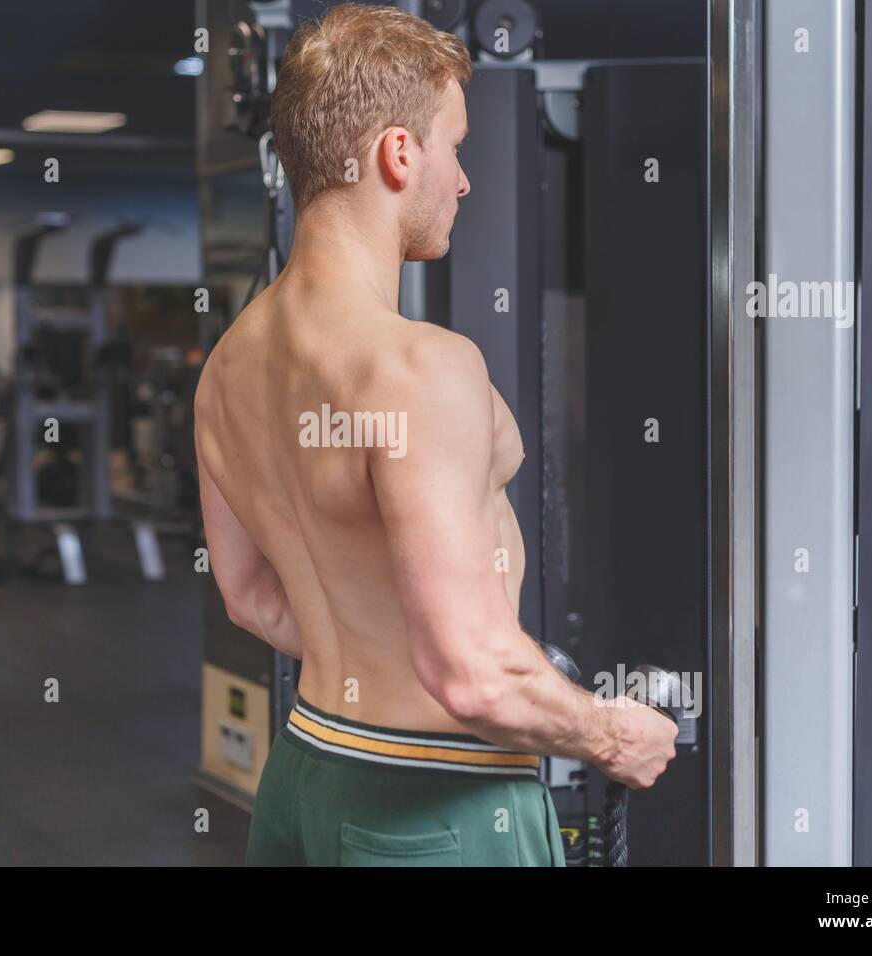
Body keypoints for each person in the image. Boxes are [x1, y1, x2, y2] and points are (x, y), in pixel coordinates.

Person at [194, 2, 677, 867]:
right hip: (434, 808)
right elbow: (473, 673)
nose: (461, 180)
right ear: (397, 152)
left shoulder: (225, 366)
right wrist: (609, 733)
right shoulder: (421, 367)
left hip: (305, 777)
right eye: (454, 147)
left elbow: (251, 597)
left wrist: (379, 643)